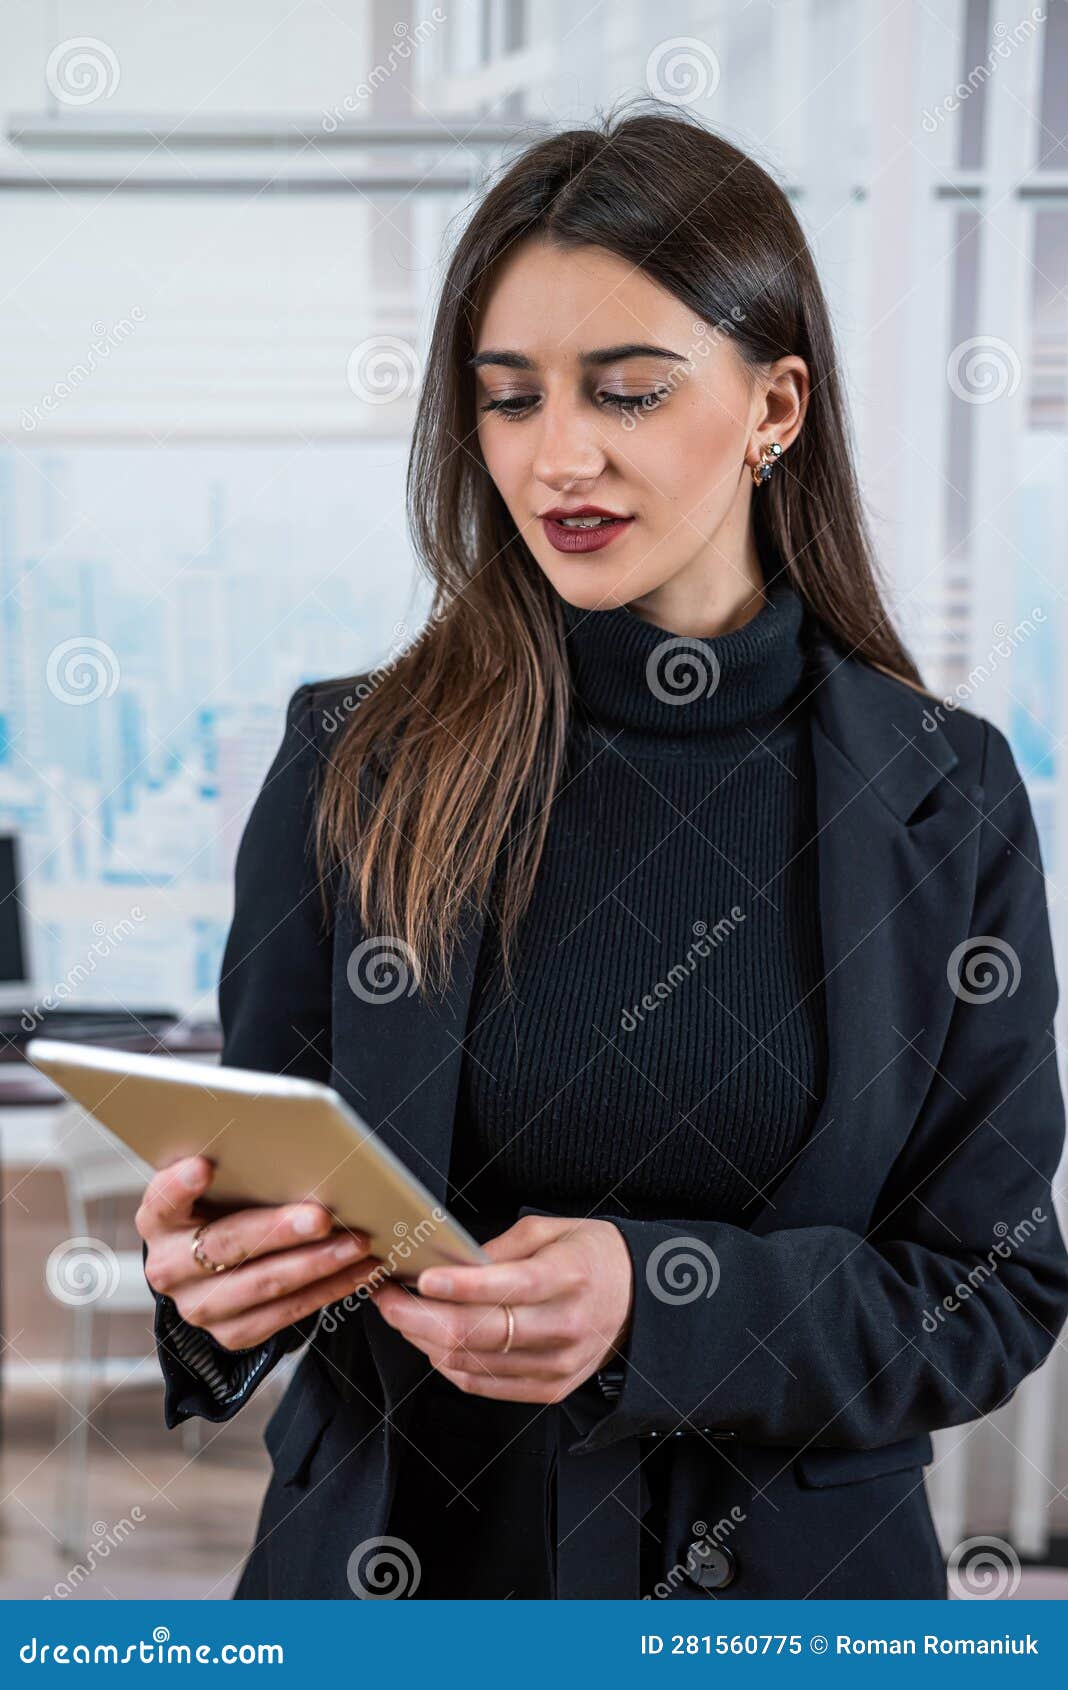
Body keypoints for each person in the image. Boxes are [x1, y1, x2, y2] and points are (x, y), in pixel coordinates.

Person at [138, 104, 1068, 1601]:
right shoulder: (356, 762)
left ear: (775, 408)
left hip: (787, 1602)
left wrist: (664, 1302)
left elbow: (990, 1287)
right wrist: (209, 1290)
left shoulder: (943, 793)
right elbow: (263, 1215)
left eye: (628, 391)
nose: (558, 455)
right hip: (400, 1585)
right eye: (510, 400)